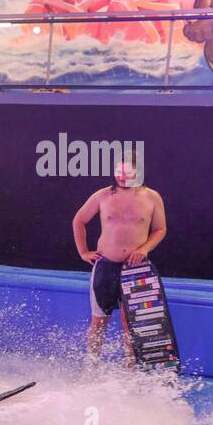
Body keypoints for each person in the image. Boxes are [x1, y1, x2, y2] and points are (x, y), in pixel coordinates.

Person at [70, 148, 167, 365]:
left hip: (135, 269)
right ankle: (91, 366)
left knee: (130, 322)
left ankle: (130, 368)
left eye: (128, 172)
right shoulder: (103, 195)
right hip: (105, 266)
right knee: (98, 321)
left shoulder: (152, 197)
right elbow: (79, 220)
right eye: (118, 172)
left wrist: (144, 249)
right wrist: (83, 252)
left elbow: (160, 229)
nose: (122, 177)